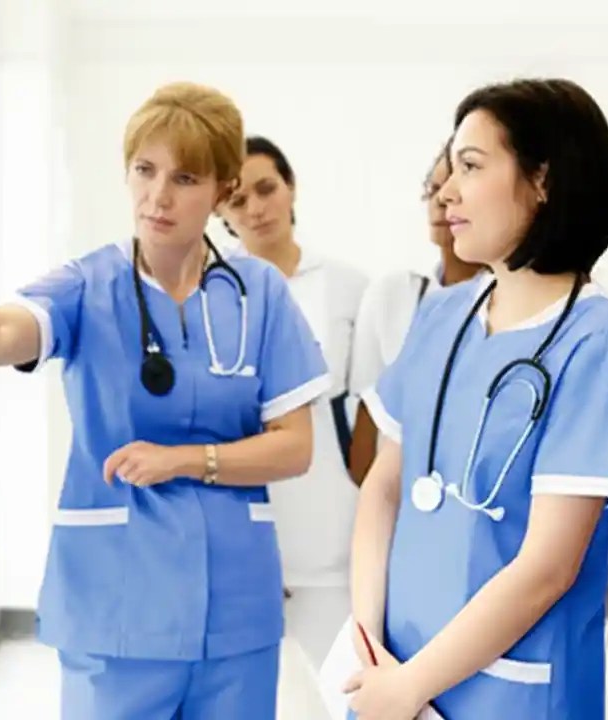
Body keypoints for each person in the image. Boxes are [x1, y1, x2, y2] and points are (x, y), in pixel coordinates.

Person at [0, 82, 330, 719]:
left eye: (184, 177)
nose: (157, 196)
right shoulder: (89, 284)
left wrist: (184, 460)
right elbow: (6, 328)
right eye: (144, 169)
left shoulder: (259, 293)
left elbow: (294, 446)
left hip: (235, 613)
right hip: (116, 607)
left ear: (223, 191)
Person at [344, 78, 608, 719]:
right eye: (448, 170)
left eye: (472, 167)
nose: (445, 191)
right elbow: (384, 487)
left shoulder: (597, 342)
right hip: (392, 676)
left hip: (508, 692)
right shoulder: (442, 316)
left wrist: (408, 686)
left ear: (542, 181)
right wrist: (371, 650)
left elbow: (547, 567)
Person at [217, 135, 368, 660]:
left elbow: (370, 418)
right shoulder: (208, 289)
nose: (256, 209)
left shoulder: (348, 285)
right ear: (221, 211)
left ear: (291, 187)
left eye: (267, 188)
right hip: (243, 519)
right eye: (238, 200)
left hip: (330, 517)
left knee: (332, 682)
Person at [348, 143, 485, 486]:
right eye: (433, 188)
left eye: (456, 188)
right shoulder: (394, 294)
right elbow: (367, 419)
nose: (442, 200)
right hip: (401, 500)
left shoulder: (508, 300)